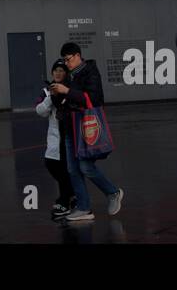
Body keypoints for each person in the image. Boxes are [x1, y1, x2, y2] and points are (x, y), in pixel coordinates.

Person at [51, 42, 122, 222]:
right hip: (70, 128)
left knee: (85, 166)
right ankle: (83, 207)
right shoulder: (69, 76)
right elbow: (63, 102)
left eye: (68, 60)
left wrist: (66, 90)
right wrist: (56, 93)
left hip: (86, 127)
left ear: (77, 55)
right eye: (64, 61)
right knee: (73, 169)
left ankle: (113, 192)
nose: (66, 64)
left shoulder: (90, 71)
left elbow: (94, 98)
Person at [36, 58, 76, 220]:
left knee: (67, 169)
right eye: (56, 70)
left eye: (61, 70)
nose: (58, 73)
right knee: (52, 164)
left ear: (66, 73)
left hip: (70, 136)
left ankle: (65, 200)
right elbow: (40, 111)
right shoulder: (47, 91)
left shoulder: (70, 89)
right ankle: (69, 196)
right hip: (54, 138)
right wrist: (51, 97)